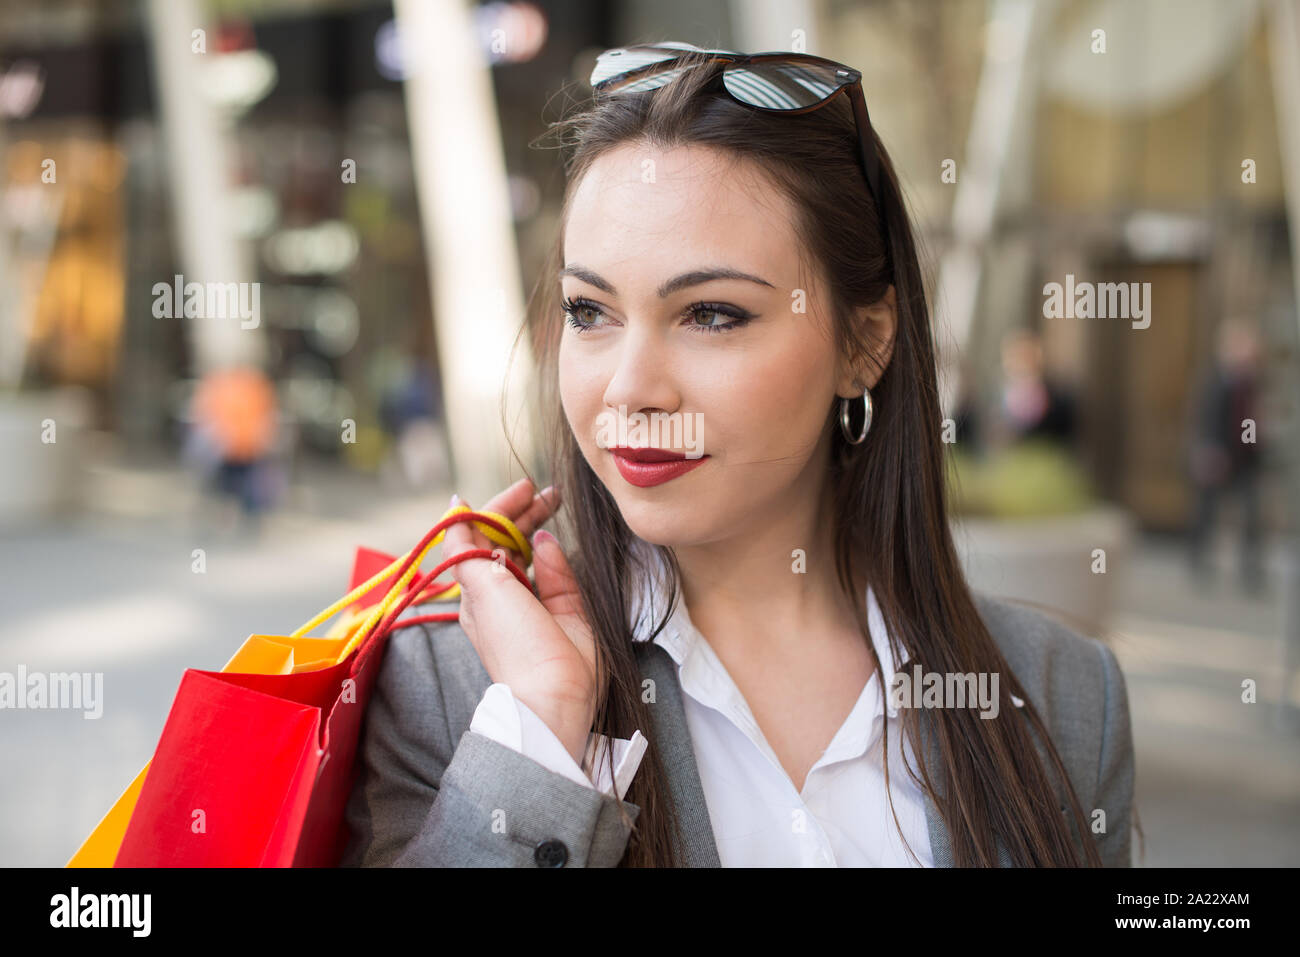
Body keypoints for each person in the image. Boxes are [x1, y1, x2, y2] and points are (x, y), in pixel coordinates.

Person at [343, 43, 1135, 867]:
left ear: (864, 341)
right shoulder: (455, 691)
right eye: (590, 310)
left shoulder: (1063, 697)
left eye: (712, 314)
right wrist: (541, 733)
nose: (629, 388)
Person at [1186, 317, 1266, 592]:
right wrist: (1207, 449)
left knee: (1251, 515)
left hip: (1247, 460)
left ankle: (1251, 571)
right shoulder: (1214, 381)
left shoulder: (1254, 383)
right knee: (1206, 513)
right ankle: (1199, 564)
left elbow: (1255, 421)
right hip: (1217, 455)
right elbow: (1204, 418)